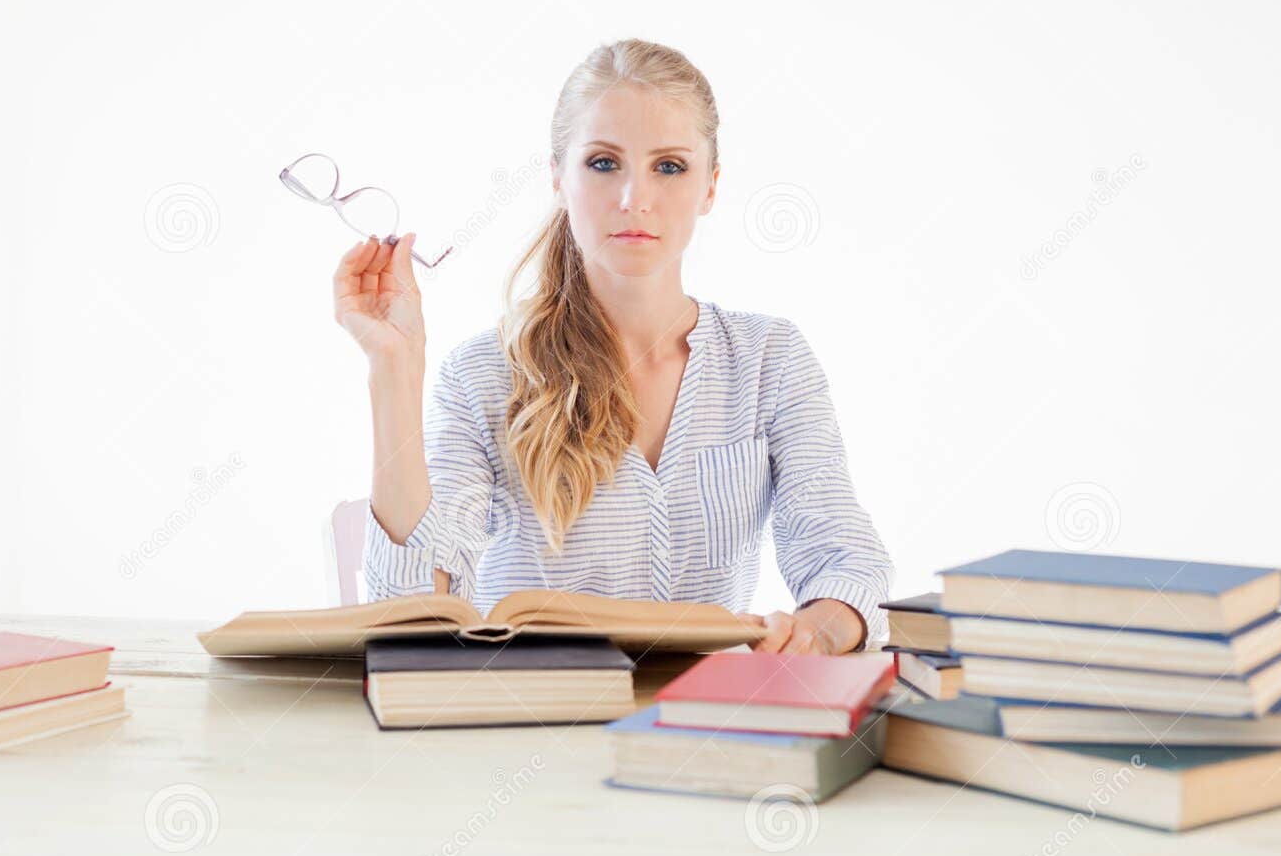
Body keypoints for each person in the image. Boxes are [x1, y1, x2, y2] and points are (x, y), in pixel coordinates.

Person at [334, 38, 893, 653]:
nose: (635, 198)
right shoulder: (482, 375)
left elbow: (846, 559)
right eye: (603, 163)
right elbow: (411, 610)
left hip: (698, 725)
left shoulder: (770, 360)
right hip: (532, 722)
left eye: (669, 166)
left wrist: (817, 631)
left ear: (710, 186)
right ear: (557, 177)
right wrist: (395, 365)